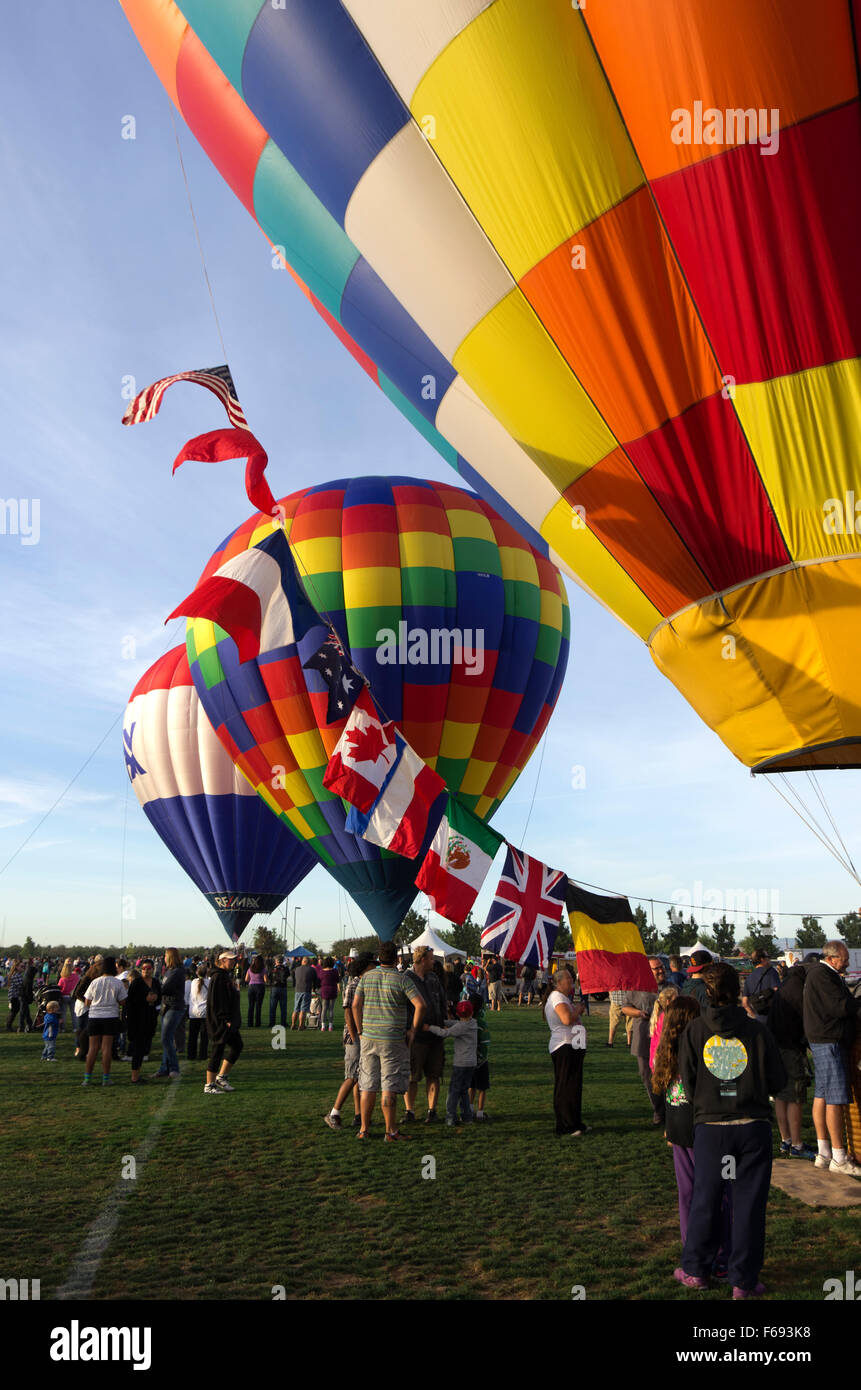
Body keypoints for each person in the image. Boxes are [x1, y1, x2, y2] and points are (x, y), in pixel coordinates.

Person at [676, 962, 786, 1298]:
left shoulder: (694, 1031)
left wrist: (713, 1102)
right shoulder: (756, 1031)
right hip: (751, 1129)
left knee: (706, 1199)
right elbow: (779, 1080)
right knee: (748, 1204)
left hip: (713, 1129)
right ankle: (743, 1280)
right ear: (737, 990)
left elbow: (688, 1083)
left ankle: (696, 1270)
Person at [352, 940, 425, 1141]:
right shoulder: (402, 979)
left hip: (368, 1037)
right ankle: (390, 1131)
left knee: (367, 1084)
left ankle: (364, 1130)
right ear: (396, 958)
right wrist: (413, 1030)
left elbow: (356, 1005)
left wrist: (360, 1030)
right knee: (389, 1085)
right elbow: (420, 1005)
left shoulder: (366, 977)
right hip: (392, 1039)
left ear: (379, 957)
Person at [803, 941, 861, 1177]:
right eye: (845, 958)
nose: (847, 963)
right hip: (830, 1042)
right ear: (833, 958)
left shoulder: (818, 974)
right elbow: (840, 1007)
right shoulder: (824, 976)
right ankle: (839, 1156)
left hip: (820, 1041)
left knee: (823, 1095)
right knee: (835, 1099)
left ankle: (824, 1151)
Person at [766, 954, 818, 1158]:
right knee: (795, 1096)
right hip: (790, 1047)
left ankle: (786, 1141)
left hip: (776, 1045)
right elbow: (808, 1020)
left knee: (781, 1095)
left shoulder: (788, 980)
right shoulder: (799, 988)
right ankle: (797, 1145)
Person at [324, 953, 374, 1130]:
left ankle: (358, 1114)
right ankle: (334, 1113)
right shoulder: (354, 985)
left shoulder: (365, 983)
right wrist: (355, 1036)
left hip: (362, 1036)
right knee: (352, 1076)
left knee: (359, 1077)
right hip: (355, 1037)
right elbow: (348, 1012)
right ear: (363, 968)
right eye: (371, 965)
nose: (374, 967)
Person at [611, 957, 664, 1124]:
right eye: (656, 969)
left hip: (666, 1040)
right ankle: (658, 1110)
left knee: (667, 1076)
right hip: (643, 1039)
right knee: (646, 1076)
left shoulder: (671, 988)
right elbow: (625, 1007)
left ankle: (669, 1111)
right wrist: (639, 1013)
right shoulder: (636, 988)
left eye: (661, 967)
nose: (661, 971)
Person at [404, 946, 448, 1124]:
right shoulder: (407, 979)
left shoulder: (433, 978)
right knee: (412, 1076)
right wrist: (411, 1028)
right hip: (417, 1037)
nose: (433, 961)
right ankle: (409, 1111)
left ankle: (432, 1111)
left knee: (434, 1074)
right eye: (430, 958)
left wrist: (443, 1022)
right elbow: (404, 1007)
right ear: (422, 960)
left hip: (435, 1035)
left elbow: (442, 1001)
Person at [543, 966, 587, 1136]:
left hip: (572, 1044)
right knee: (566, 1086)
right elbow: (567, 1019)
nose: (572, 981)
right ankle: (567, 1124)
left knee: (574, 1086)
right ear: (559, 982)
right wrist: (578, 1010)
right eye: (568, 979)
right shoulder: (557, 997)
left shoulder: (562, 997)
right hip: (564, 1045)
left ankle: (575, 1122)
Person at [425, 1000, 478, 1126]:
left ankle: (450, 1117)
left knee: (453, 1091)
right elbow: (455, 1023)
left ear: (458, 1014)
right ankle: (467, 1117)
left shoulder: (461, 1027)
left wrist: (430, 1028)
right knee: (464, 1090)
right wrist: (443, 1022)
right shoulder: (473, 1023)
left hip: (461, 1064)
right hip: (471, 1063)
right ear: (472, 1012)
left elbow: (445, 1033)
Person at [82, 957, 128, 1087]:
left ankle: (87, 1078)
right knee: (106, 1048)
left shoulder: (95, 982)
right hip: (110, 1017)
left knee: (93, 1048)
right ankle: (106, 1078)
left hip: (94, 1017)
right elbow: (123, 1001)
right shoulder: (117, 982)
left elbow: (87, 1001)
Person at [205, 949, 243, 1094]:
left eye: (234, 960)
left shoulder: (225, 976)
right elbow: (217, 1001)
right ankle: (209, 1084)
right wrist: (225, 1019)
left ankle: (221, 1077)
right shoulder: (218, 978)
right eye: (230, 959)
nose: (233, 962)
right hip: (220, 1021)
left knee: (237, 1045)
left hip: (228, 1020)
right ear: (222, 961)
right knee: (217, 1050)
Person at [126, 961, 161, 1084]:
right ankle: (134, 1077)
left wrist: (155, 999)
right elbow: (130, 1001)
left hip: (150, 1018)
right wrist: (144, 999)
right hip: (137, 1019)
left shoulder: (156, 982)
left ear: (152, 969)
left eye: (149, 968)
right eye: (144, 968)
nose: (146, 970)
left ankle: (138, 1074)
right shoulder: (136, 983)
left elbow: (160, 997)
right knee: (138, 1048)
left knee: (145, 1047)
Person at [155, 947, 186, 1079]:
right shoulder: (170, 971)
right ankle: (164, 1068)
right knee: (166, 1039)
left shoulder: (177, 972)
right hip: (166, 1007)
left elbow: (166, 987)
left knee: (166, 1038)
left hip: (174, 1007)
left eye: (166, 956)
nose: (164, 958)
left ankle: (174, 1068)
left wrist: (154, 989)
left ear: (170, 957)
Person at [469, 990, 492, 1120]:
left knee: (471, 1085)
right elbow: (485, 1042)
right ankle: (480, 1112)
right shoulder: (481, 1024)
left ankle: (470, 1109)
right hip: (481, 1060)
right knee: (482, 1087)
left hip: (469, 1059)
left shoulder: (467, 1022)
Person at [741, 949, 781, 1019]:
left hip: (759, 1019)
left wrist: (755, 1017)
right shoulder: (771, 972)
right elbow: (778, 991)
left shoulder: (748, 978)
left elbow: (745, 1003)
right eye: (768, 957)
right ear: (762, 959)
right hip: (773, 1017)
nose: (769, 959)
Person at [187, 967, 209, 1060]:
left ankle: (191, 1055)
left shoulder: (193, 982)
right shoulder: (209, 982)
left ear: (197, 973)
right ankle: (203, 1054)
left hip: (193, 1012)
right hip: (205, 1011)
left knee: (193, 1035)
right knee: (204, 1035)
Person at [291, 957, 316, 1030]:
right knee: (303, 1009)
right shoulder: (311, 969)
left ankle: (293, 1024)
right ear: (308, 962)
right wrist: (314, 989)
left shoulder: (297, 969)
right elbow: (315, 981)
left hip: (297, 990)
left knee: (296, 1009)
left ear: (303, 962)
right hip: (306, 990)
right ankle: (301, 1025)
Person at [57, 959, 80, 1033]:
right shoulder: (76, 976)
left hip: (64, 996)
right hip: (72, 996)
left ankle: (62, 1028)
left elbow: (59, 988)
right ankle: (75, 1028)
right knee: (74, 1013)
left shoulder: (62, 979)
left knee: (63, 1013)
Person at [319, 957, 339, 1032]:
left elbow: (319, 979)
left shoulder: (321, 971)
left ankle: (323, 1026)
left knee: (324, 1009)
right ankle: (330, 1026)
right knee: (331, 1009)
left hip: (324, 990)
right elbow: (337, 980)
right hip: (333, 990)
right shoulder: (335, 971)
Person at [269, 957, 289, 1028]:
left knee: (272, 1007)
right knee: (283, 1007)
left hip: (274, 988)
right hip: (283, 988)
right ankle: (283, 1023)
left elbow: (269, 977)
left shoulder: (272, 968)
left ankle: (272, 1023)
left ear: (276, 961)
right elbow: (287, 975)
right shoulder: (285, 968)